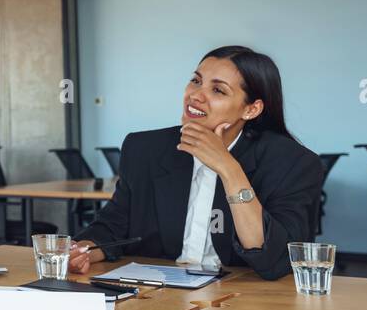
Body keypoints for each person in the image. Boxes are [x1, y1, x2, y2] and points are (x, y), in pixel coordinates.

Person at [70, 45, 322, 280]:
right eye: (196, 81)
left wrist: (228, 168)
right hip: (160, 298)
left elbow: (274, 260)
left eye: (218, 90)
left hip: (245, 305)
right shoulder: (145, 149)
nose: (196, 95)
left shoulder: (292, 163)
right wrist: (85, 251)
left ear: (251, 110)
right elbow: (112, 226)